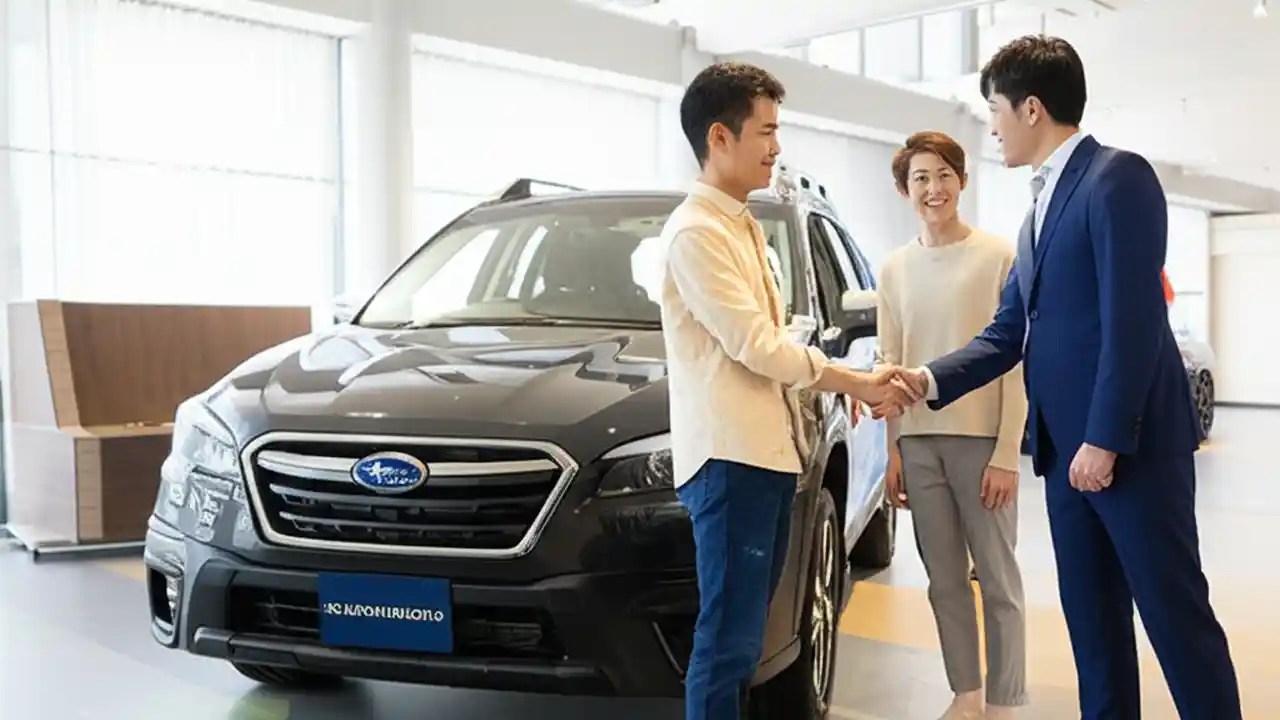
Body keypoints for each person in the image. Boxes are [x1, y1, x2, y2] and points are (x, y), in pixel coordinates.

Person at [888, 36, 1241, 720]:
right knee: (1094, 631)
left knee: (1175, 620)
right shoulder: (1035, 212)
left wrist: (1105, 440)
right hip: (1065, 452)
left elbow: (1134, 319)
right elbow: (1004, 334)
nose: (989, 126)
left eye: (994, 109)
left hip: (1128, 450)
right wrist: (923, 380)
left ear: (1031, 108)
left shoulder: (1118, 177)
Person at [659, 61, 912, 720]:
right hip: (731, 461)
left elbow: (770, 342)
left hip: (765, 457)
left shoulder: (741, 223)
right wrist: (853, 378)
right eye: (766, 132)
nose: (776, 147)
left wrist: (829, 383)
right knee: (728, 638)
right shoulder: (697, 233)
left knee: (745, 640)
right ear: (720, 138)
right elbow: (756, 346)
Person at [877, 131, 1029, 720]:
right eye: (920, 178)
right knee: (943, 580)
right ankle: (965, 695)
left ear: (961, 181)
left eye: (944, 175)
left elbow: (1014, 360)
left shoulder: (998, 256)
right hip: (917, 442)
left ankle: (1005, 701)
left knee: (998, 580)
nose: (933, 188)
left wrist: (1007, 454)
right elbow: (888, 366)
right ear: (903, 189)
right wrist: (892, 450)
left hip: (983, 441)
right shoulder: (893, 268)